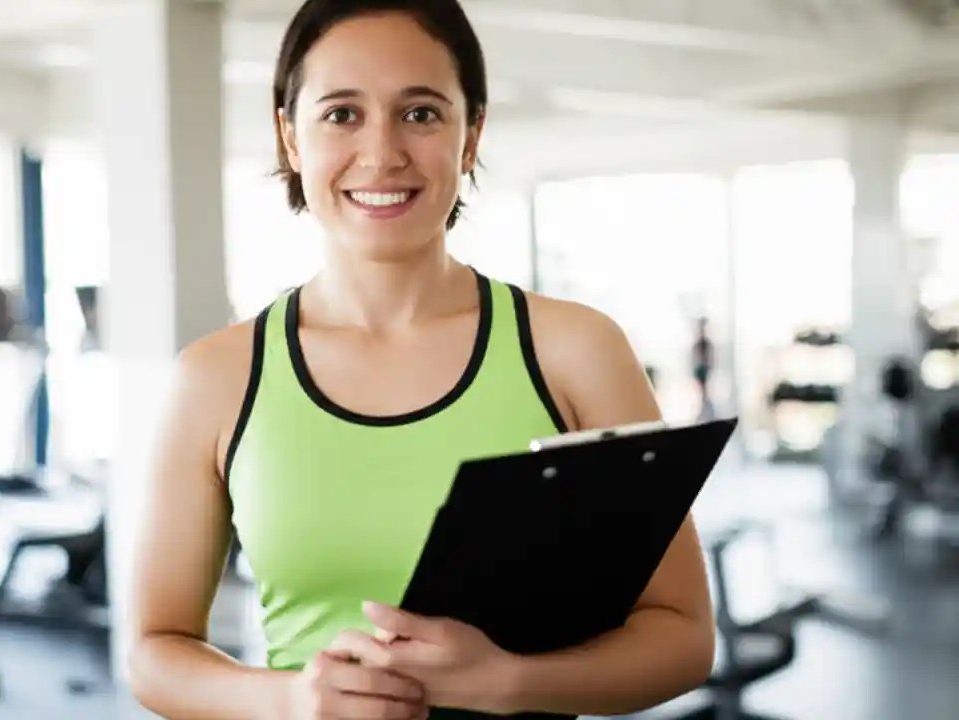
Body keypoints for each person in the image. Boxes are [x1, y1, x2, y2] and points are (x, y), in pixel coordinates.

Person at [126, 1, 715, 718]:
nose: (382, 154)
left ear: (472, 135)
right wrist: (290, 702)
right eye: (342, 114)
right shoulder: (217, 377)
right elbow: (154, 650)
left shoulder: (574, 351)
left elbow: (682, 636)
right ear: (290, 136)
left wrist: (510, 683)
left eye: (422, 114)